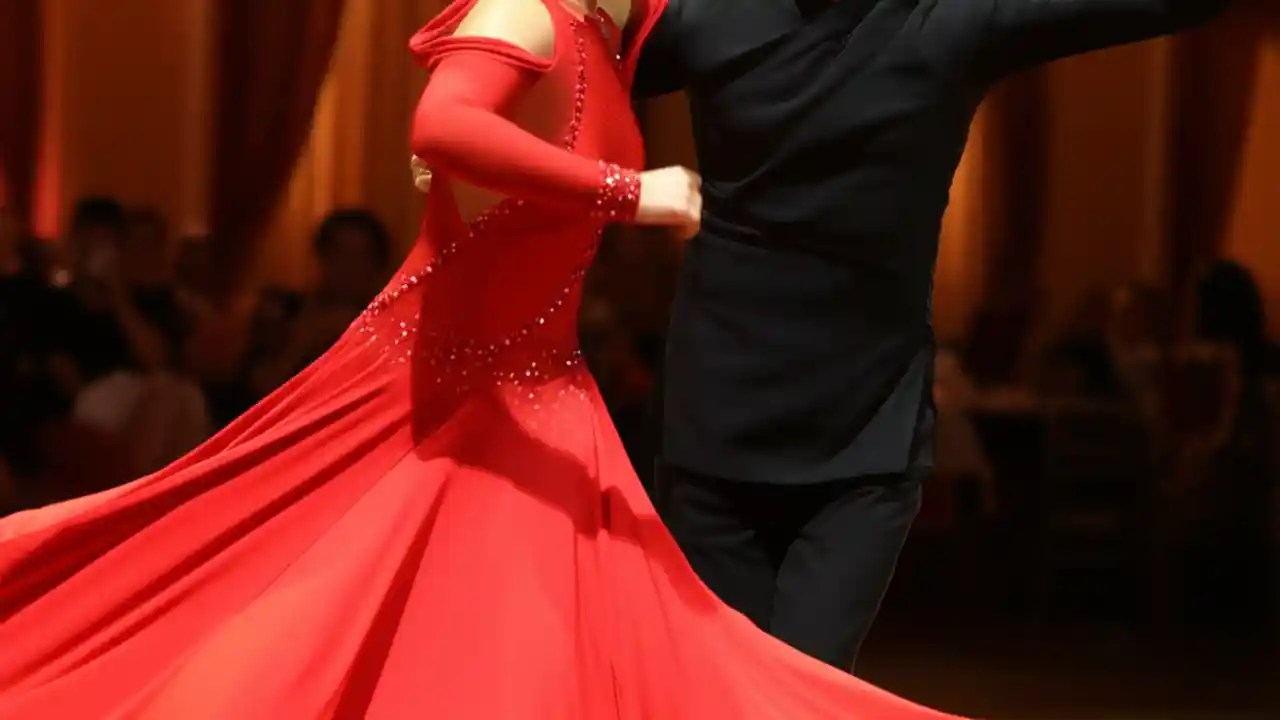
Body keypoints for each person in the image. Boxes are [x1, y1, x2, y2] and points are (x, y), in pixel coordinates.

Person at [0, 1, 960, 717]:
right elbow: (443, 126)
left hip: (545, 400)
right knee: (282, 625)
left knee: (593, 655)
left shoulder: (614, 29)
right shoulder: (523, 7)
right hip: (441, 399)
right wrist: (631, 192)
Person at [630, 0, 1233, 672]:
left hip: (860, 451)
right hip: (715, 441)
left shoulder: (948, 21)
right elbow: (570, 53)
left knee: (801, 694)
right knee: (722, 690)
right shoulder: (712, 17)